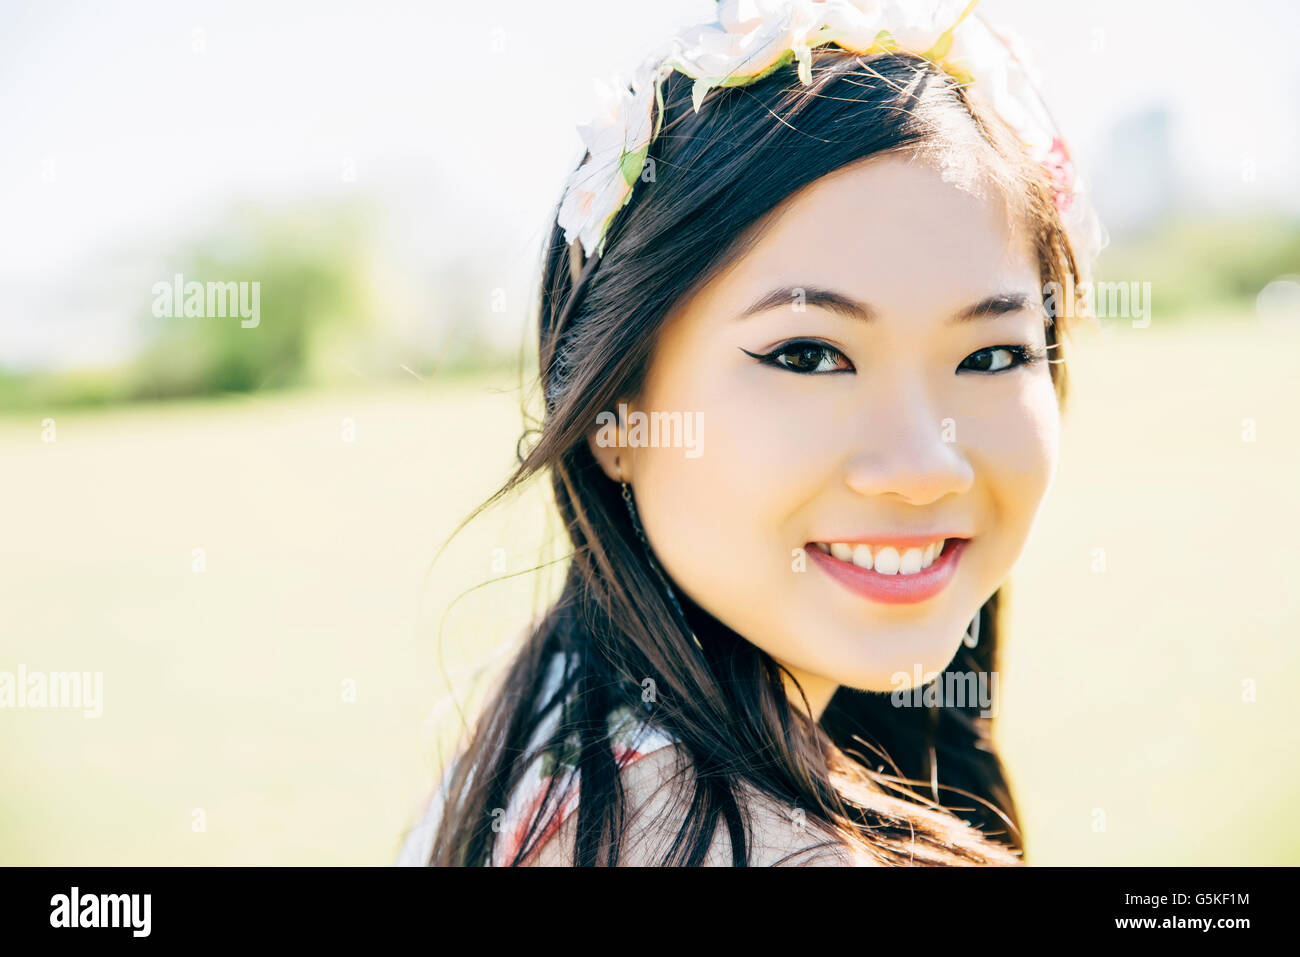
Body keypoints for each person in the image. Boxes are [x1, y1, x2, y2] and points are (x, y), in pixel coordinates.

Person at [398, 0, 1104, 867]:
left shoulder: (549, 712)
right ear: (615, 411)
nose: (923, 465)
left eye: (993, 355)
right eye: (808, 354)